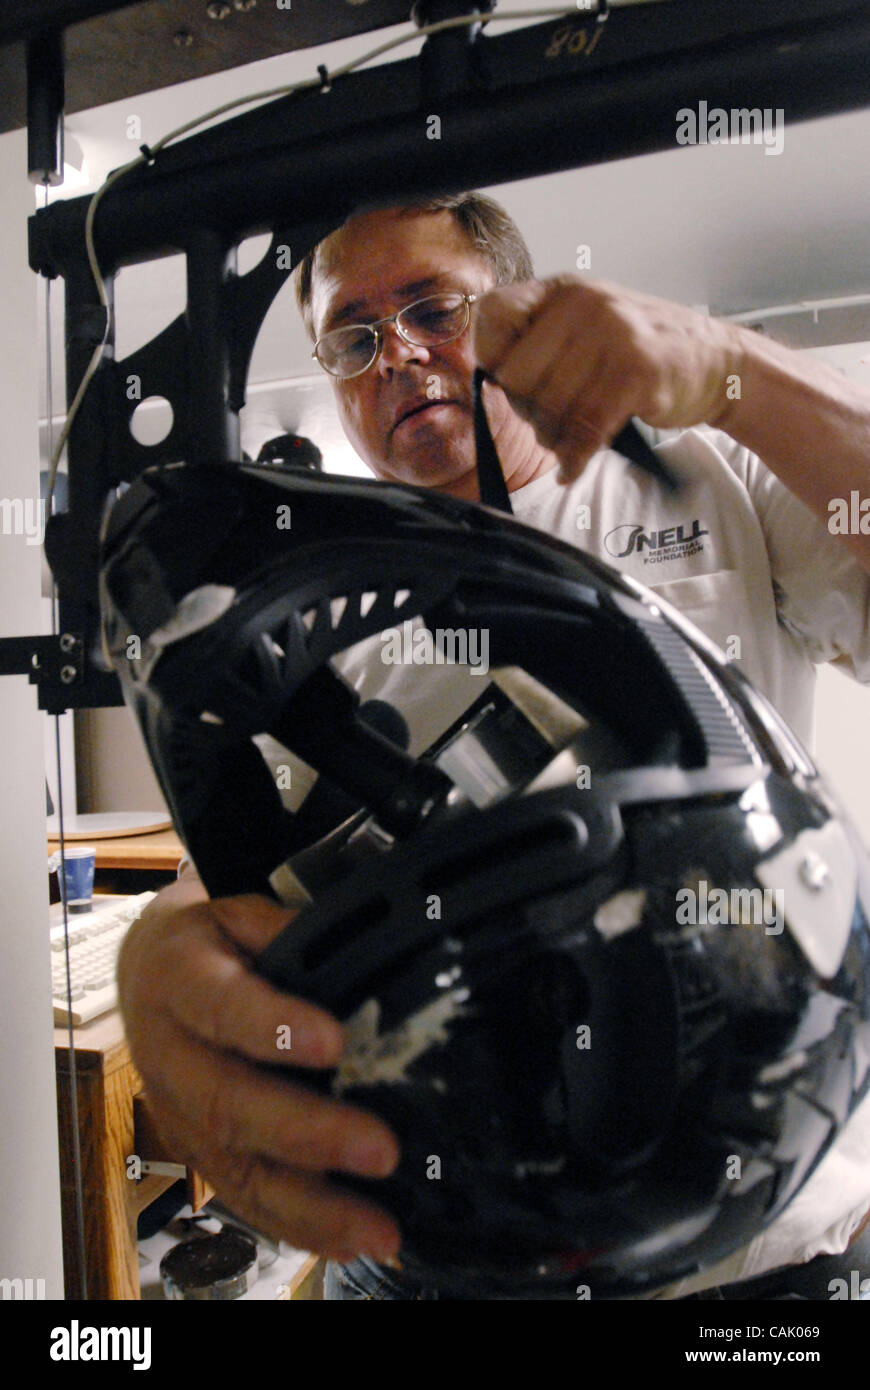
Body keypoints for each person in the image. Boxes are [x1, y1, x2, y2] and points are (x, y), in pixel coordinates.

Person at [117, 192, 870, 1299]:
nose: (399, 357)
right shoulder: (317, 620)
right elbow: (241, 882)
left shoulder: (710, 472)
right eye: (355, 337)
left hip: (752, 1244)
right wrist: (160, 959)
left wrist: (732, 365)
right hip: (447, 1245)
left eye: (434, 307)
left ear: (518, 310)